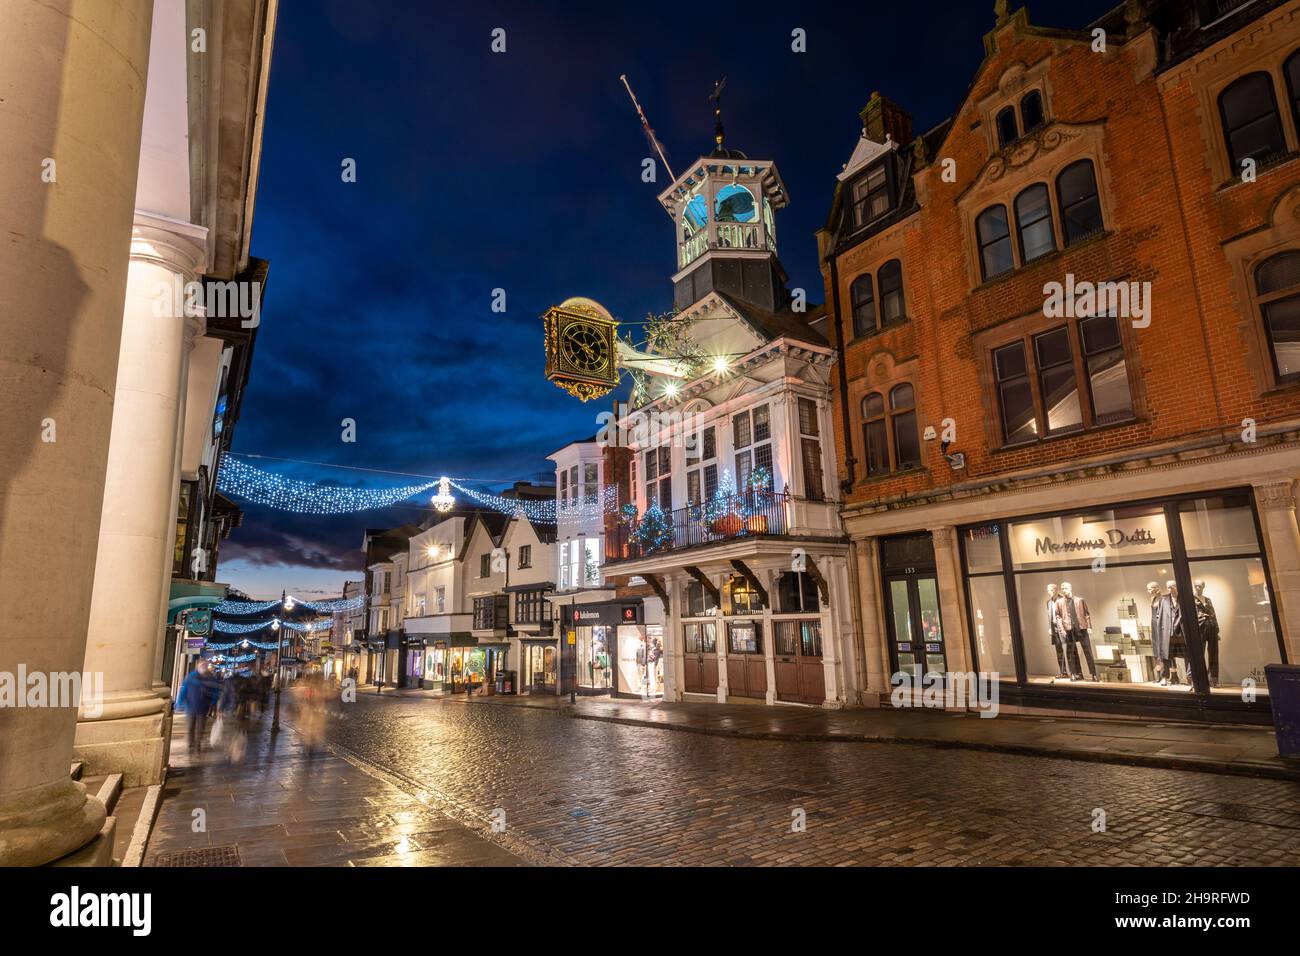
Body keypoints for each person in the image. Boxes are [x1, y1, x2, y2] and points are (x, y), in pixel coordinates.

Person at [178, 660, 218, 754]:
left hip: (203, 707)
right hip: (191, 706)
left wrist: (212, 703)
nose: (203, 666)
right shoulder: (191, 676)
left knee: (200, 728)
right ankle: (191, 744)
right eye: (202, 665)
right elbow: (184, 689)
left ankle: (197, 745)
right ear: (198, 666)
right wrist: (180, 701)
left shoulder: (210, 677)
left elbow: (215, 691)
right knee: (190, 727)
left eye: (205, 665)